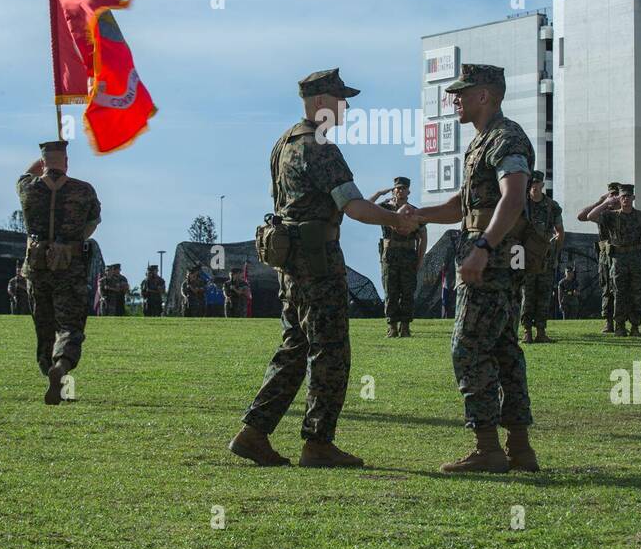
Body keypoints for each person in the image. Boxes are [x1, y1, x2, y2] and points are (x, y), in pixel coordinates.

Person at [231, 68, 420, 469]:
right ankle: (318, 442)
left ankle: (254, 431)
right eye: (340, 99)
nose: (346, 107)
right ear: (320, 103)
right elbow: (352, 206)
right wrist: (396, 221)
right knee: (330, 350)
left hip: (291, 265)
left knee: (295, 347)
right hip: (318, 264)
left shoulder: (283, 143)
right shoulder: (320, 146)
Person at [399, 64, 539, 473]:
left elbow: (513, 198)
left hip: (492, 259)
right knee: (503, 349)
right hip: (493, 255)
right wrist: (417, 215)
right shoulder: (482, 142)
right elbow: (461, 205)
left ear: (486, 95)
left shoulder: (505, 137)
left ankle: (487, 448)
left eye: (463, 92)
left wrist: (482, 247)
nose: (454, 99)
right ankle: (519, 448)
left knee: (468, 347)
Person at [18, 139, 102, 405]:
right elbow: (92, 224)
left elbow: (27, 173)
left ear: (42, 162)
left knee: (44, 326)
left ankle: (52, 377)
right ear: (66, 162)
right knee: (70, 326)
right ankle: (62, 367)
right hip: (70, 266)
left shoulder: (28, 189)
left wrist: (43, 162)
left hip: (37, 267)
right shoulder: (83, 190)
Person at [584, 184, 641, 338]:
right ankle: (620, 326)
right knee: (619, 294)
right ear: (619, 198)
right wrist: (605, 202)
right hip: (619, 259)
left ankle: (635, 327)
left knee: (637, 294)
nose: (626, 199)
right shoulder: (611, 216)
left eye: (628, 196)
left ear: (633, 198)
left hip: (637, 258)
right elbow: (590, 216)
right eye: (623, 197)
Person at [371, 176, 427, 338]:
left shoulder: (413, 211)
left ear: (409, 191)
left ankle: (405, 326)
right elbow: (367, 205)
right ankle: (392, 326)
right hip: (390, 255)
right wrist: (379, 193)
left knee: (408, 291)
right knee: (391, 290)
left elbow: (423, 236)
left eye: (404, 188)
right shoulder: (385, 209)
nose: (401, 191)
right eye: (398, 188)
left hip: (409, 255)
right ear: (394, 190)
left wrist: (420, 258)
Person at [517, 170, 564, 344]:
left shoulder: (552, 206)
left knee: (544, 295)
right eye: (531, 184)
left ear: (542, 185)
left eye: (537, 184)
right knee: (527, 294)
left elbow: (560, 231)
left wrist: (556, 253)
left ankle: (541, 331)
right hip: (525, 257)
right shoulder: (521, 205)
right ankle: (527, 331)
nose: (534, 187)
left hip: (545, 257)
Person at [586, 182, 621, 333]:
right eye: (611, 194)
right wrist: (601, 202)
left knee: (620, 289)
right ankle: (608, 322)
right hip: (605, 255)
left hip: (620, 255)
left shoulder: (622, 212)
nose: (613, 198)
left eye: (616, 195)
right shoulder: (602, 213)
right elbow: (583, 216)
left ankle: (620, 321)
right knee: (606, 288)